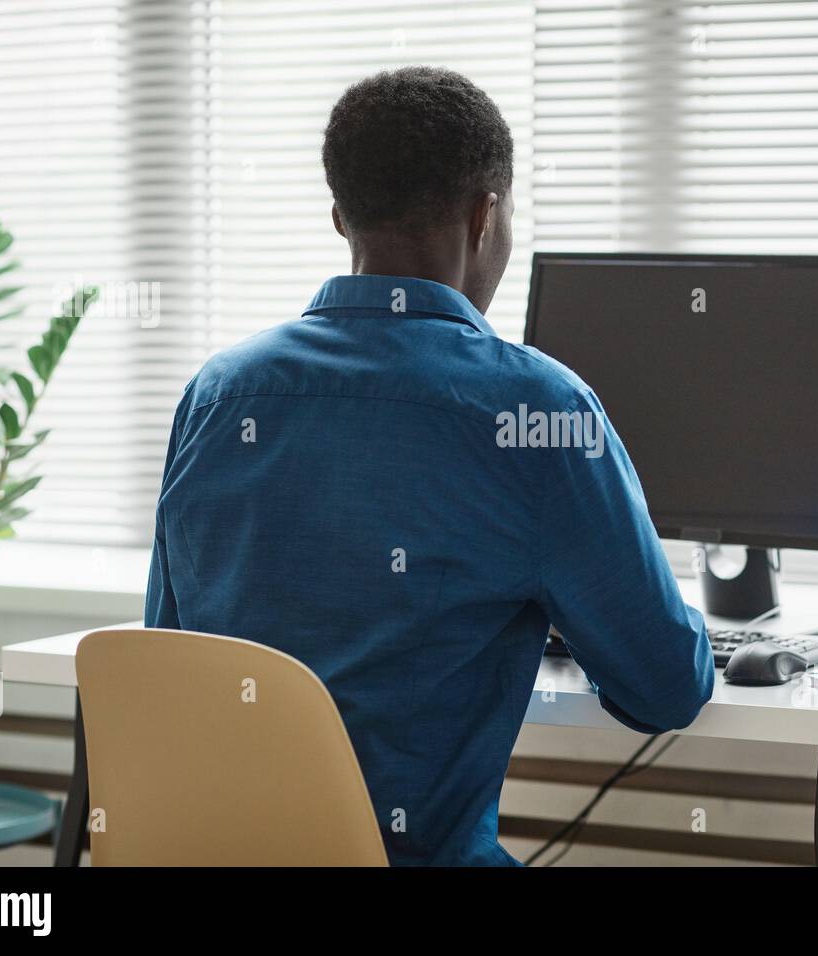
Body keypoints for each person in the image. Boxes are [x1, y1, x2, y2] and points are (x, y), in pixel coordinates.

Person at [146, 66, 713, 865]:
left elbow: (167, 655)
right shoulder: (538, 411)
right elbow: (665, 688)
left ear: (340, 216)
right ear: (486, 217)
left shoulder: (216, 395)